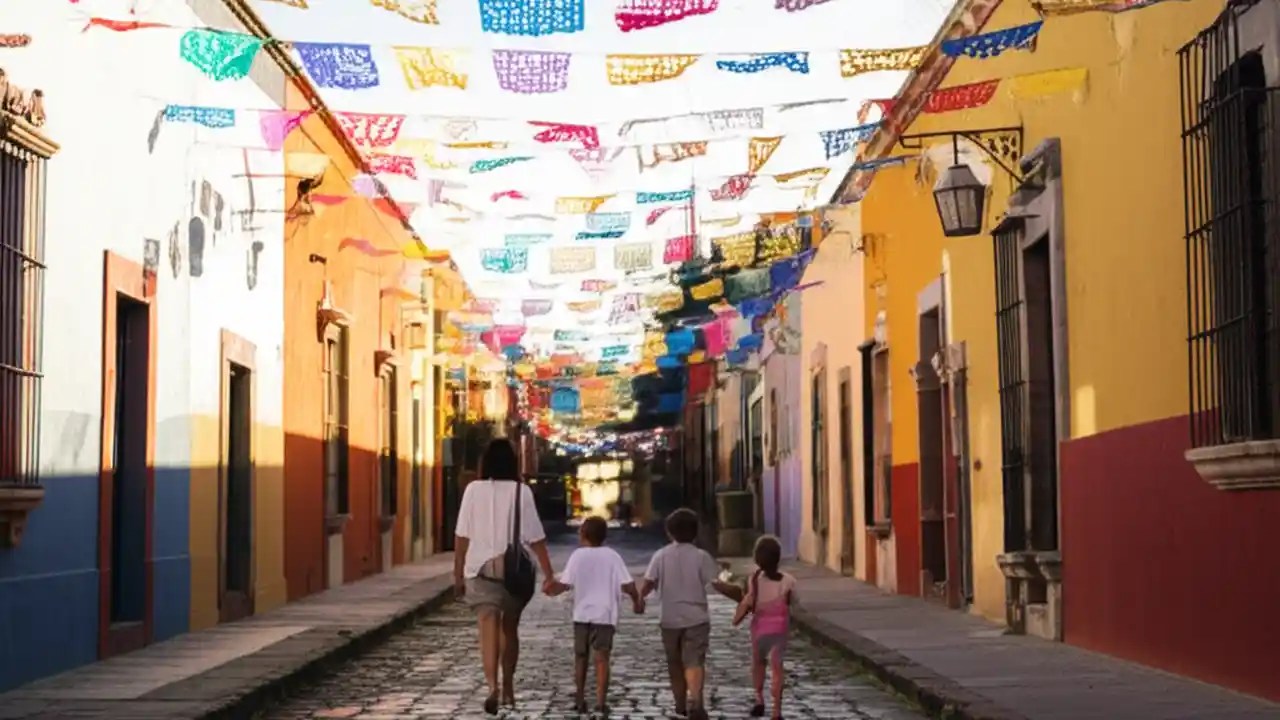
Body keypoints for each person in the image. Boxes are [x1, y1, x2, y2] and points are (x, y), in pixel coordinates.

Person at [453, 438, 556, 715]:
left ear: (484, 463)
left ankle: (492, 686)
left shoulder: (473, 490)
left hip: (479, 571)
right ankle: (509, 685)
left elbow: (462, 536)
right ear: (513, 463)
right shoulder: (522, 492)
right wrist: (549, 575)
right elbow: (536, 538)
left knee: (487, 627)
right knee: (509, 629)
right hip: (513, 573)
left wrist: (457, 574)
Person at [638, 509, 743, 720]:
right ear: (696, 533)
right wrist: (741, 596)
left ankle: (680, 704)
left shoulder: (660, 556)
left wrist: (639, 599)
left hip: (669, 619)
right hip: (696, 619)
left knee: (675, 663)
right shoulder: (701, 556)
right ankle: (695, 699)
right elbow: (717, 584)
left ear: (669, 532)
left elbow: (648, 583)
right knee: (694, 660)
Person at [546, 515, 644, 716]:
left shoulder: (577, 556)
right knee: (602, 658)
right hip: (605, 615)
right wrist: (636, 600)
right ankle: (600, 701)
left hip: (581, 614)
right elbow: (628, 584)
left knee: (580, 657)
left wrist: (550, 588)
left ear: (583, 534)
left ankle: (580, 697)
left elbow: (564, 585)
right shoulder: (612, 556)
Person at [732, 536, 797, 720]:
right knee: (777, 668)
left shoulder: (754, 579)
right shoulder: (789, 581)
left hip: (760, 630)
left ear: (757, 558)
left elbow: (748, 602)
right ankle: (776, 710)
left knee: (758, 664)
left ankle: (759, 699)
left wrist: (737, 618)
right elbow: (793, 603)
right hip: (780, 631)